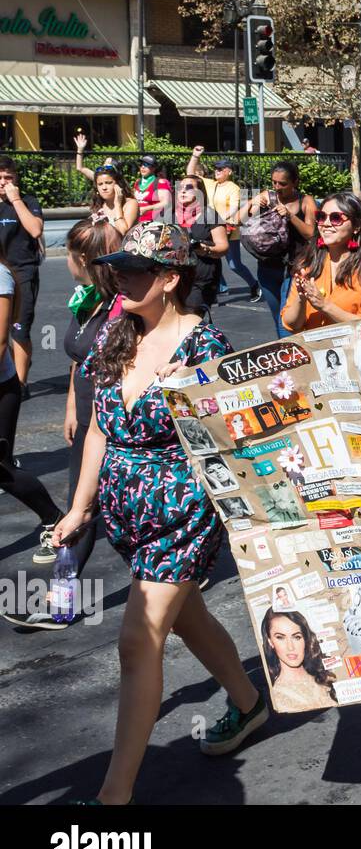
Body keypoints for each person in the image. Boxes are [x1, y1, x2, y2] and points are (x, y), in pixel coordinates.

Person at [52, 222, 268, 803]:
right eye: (117, 269)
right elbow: (100, 426)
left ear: (169, 278)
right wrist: (79, 509)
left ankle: (112, 798)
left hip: (183, 510)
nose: (120, 279)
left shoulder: (206, 347)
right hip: (127, 514)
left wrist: (197, 387)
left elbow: (238, 433)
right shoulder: (115, 333)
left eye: (135, 271)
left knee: (137, 641)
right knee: (187, 614)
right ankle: (250, 704)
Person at [4, 217, 122, 629]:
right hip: (88, 423)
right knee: (82, 508)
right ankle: (62, 599)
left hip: (116, 428)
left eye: (71, 254)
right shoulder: (88, 299)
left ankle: (173, 585)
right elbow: (79, 359)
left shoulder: (124, 307)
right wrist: (72, 405)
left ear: (83, 259)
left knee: (94, 510)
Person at [0, 231, 65, 569]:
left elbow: (0, 344)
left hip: (0, 388)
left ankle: (54, 518)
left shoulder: (0, 276)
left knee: (1, 468)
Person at [281, 193, 361, 332]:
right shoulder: (307, 264)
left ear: (356, 226)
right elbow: (290, 324)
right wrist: (301, 299)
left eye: (336, 218)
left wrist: (325, 306)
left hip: (352, 351)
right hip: (312, 350)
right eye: (321, 217)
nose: (326, 224)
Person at [233, 161, 317, 337]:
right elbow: (237, 220)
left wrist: (290, 215)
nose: (277, 187)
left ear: (295, 182)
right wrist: (252, 203)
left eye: (283, 184)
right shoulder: (268, 196)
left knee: (286, 320)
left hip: (294, 269)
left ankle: (291, 355)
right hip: (267, 267)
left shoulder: (305, 201)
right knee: (277, 316)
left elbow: (311, 233)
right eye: (274, 182)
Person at [185, 146, 257, 300]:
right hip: (209, 229)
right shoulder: (211, 184)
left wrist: (217, 221)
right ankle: (216, 288)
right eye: (215, 168)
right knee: (210, 258)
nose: (216, 171)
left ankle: (254, 285)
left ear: (229, 171)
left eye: (220, 168)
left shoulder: (233, 188)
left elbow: (233, 208)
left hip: (228, 230)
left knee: (234, 265)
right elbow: (190, 174)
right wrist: (195, 156)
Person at [0, 156, 44, 388]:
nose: (3, 181)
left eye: (8, 177)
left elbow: (35, 230)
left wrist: (15, 200)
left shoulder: (27, 200)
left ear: (16, 178)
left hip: (22, 273)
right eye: (0, 177)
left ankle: (19, 384)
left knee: (19, 330)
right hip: (0, 274)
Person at [166, 176, 228, 315]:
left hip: (200, 279)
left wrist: (203, 249)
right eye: (180, 187)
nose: (183, 191)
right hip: (174, 277)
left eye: (189, 188)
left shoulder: (209, 214)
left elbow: (223, 247)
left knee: (191, 318)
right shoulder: (170, 214)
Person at [261, 609, 337, 713]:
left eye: (297, 637)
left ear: (305, 639)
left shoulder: (328, 677)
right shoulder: (275, 695)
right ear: (270, 642)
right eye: (280, 637)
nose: (290, 647)